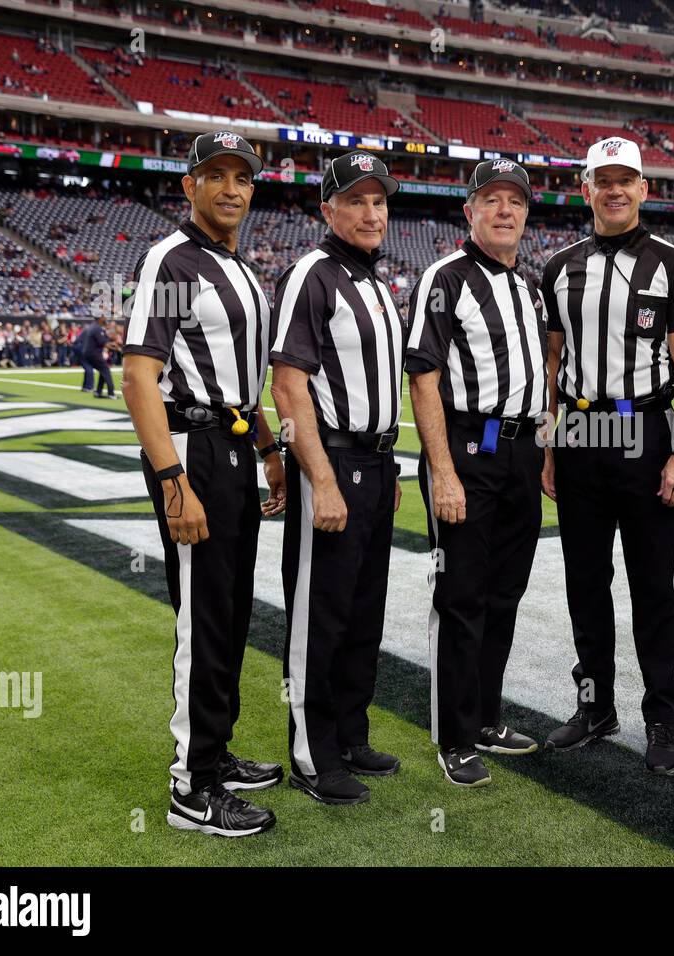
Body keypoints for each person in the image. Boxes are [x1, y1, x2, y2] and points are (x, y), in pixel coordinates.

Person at [122, 130, 286, 837]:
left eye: (241, 177)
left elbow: (241, 385)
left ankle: (214, 756)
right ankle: (192, 789)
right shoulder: (173, 258)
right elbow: (139, 377)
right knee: (203, 617)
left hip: (236, 446)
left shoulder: (239, 267)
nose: (230, 188)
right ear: (188, 185)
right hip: (193, 449)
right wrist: (171, 479)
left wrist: (272, 448)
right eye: (214, 175)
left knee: (229, 612)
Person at [540, 137, 674, 776]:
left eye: (625, 180)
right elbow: (554, 363)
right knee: (585, 580)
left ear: (643, 189)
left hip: (645, 433)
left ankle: (660, 716)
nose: (614, 190)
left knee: (652, 586)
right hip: (581, 431)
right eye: (601, 180)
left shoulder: (672, 263)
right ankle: (595, 706)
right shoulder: (559, 266)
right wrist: (551, 446)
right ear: (586, 189)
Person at [270, 151, 405, 805]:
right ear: (328, 210)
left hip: (376, 463)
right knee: (319, 616)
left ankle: (350, 734)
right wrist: (320, 478)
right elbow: (288, 385)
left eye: (379, 201)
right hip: (334, 462)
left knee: (362, 613)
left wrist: (391, 463)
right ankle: (310, 755)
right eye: (356, 200)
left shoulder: (376, 283)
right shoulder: (312, 275)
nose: (371, 212)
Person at [406, 160, 546, 788]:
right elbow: (424, 377)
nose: (505, 211)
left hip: (521, 452)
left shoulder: (532, 287)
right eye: (491, 199)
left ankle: (486, 715)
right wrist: (442, 471)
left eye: (514, 201)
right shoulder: (446, 278)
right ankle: (454, 734)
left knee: (505, 594)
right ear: (470, 211)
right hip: (468, 448)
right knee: (460, 597)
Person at [79, 315, 116, 398]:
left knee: (102, 371)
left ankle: (98, 392)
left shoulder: (93, 327)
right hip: (94, 353)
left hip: (88, 353)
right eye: (104, 316)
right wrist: (117, 348)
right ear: (100, 318)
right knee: (106, 370)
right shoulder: (97, 328)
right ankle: (111, 394)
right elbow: (103, 342)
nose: (106, 317)